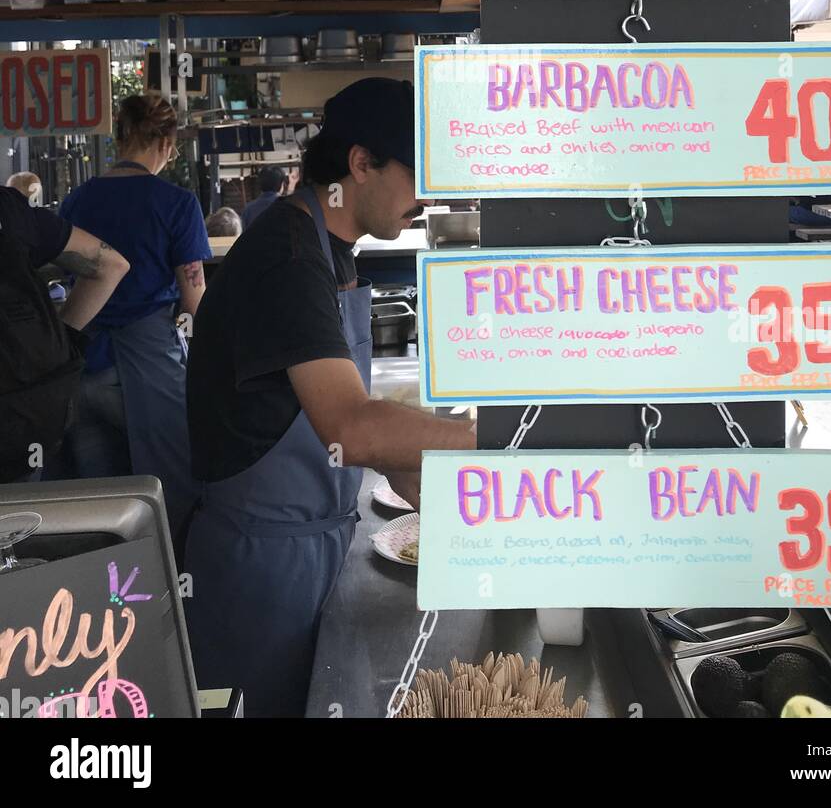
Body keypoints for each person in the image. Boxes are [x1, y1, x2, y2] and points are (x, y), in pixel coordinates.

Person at [183, 78, 475, 718]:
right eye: (418, 172)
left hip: (304, 544)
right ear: (361, 162)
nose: (426, 198)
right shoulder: (289, 256)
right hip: (260, 564)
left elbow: (356, 426)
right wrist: (498, 443)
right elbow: (353, 427)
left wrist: (453, 509)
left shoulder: (330, 247)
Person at [56, 93, 211, 535]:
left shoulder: (77, 201)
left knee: (100, 499)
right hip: (151, 366)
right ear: (165, 142)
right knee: (168, 493)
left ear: (120, 137)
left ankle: (110, 591)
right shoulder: (176, 203)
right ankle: (171, 588)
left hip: (85, 361)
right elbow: (194, 300)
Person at [0, 184, 129, 481]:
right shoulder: (11, 213)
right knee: (23, 520)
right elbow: (111, 265)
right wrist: (63, 340)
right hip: (24, 412)